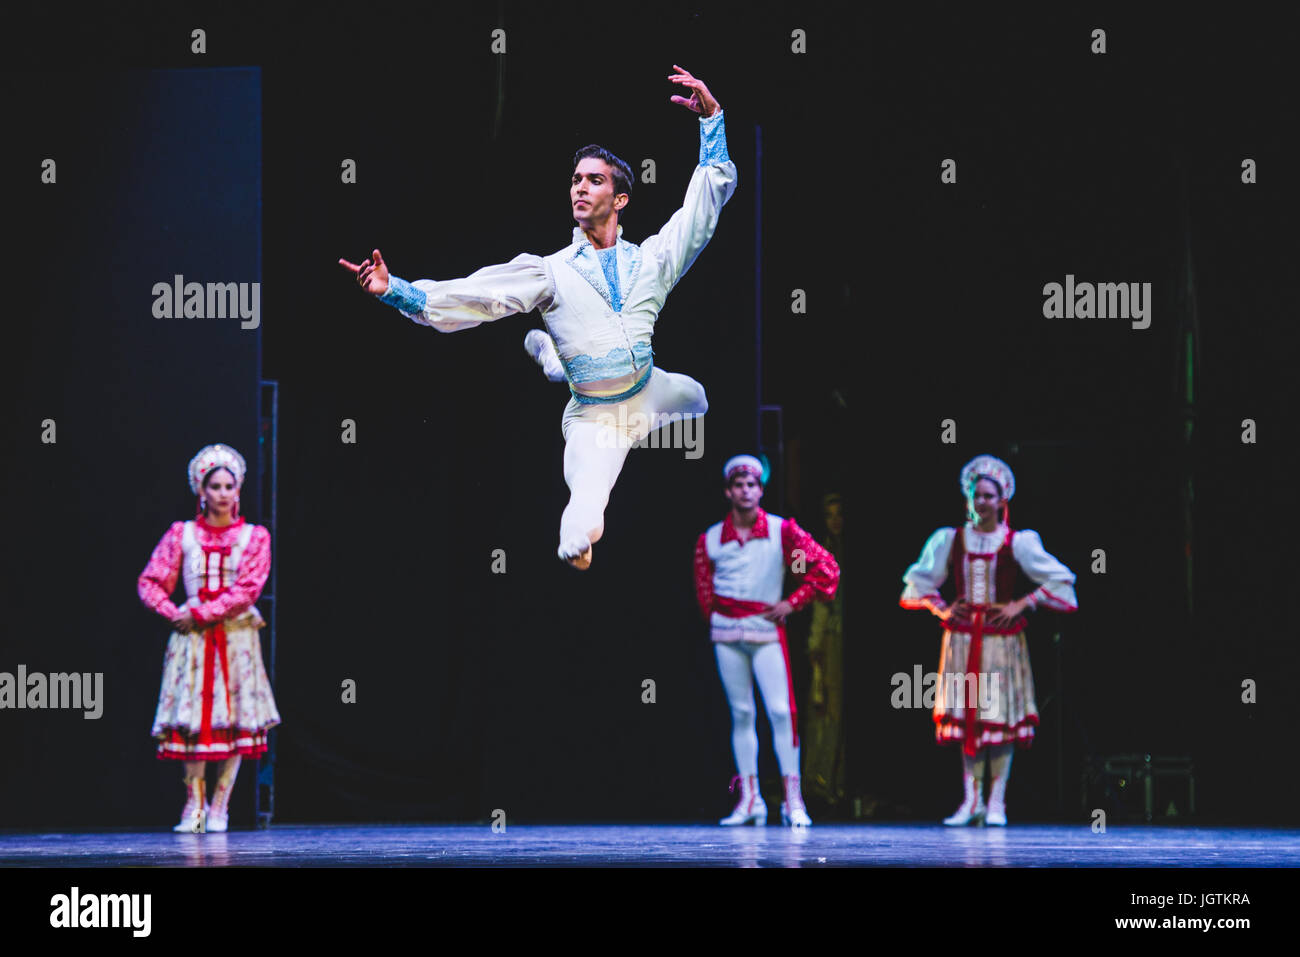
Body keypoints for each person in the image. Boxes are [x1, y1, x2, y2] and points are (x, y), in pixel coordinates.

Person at [340, 65, 737, 570]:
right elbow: (477, 296)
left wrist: (713, 123)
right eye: (575, 180)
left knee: (699, 398)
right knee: (587, 505)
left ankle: (553, 359)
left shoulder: (653, 261)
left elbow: (702, 210)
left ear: (620, 199)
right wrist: (396, 291)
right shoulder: (548, 273)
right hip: (597, 417)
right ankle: (561, 390)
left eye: (594, 180)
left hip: (648, 389)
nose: (580, 188)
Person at [899, 454, 1077, 826]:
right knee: (968, 719)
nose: (982, 502)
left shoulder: (1018, 542)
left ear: (1001, 500)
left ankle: (997, 800)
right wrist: (941, 609)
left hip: (999, 640)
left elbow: (1061, 579)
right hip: (963, 639)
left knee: (997, 719)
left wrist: (1022, 604)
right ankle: (971, 799)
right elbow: (918, 581)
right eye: (976, 495)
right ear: (968, 498)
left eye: (989, 496)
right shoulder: (951, 538)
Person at [137, 444, 280, 832]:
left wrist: (200, 613)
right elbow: (151, 582)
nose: (221, 493)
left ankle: (221, 806)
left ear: (238, 490)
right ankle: (194, 806)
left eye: (228, 486)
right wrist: (176, 614)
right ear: (201, 490)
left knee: (235, 718)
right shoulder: (181, 535)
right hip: (194, 643)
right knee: (192, 721)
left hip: (235, 639)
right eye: (213, 485)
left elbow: (247, 589)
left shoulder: (255, 537)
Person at [694, 455, 840, 826]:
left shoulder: (780, 531)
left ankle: (793, 801)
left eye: (752, 485)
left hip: (765, 630)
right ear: (728, 491)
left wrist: (793, 603)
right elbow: (705, 593)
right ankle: (750, 799)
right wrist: (716, 619)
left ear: (761, 490)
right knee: (741, 713)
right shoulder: (711, 538)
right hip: (727, 633)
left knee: (780, 711)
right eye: (739, 485)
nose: (746, 491)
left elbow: (825, 569)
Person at [804, 492, 846, 811]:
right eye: (829, 515)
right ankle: (818, 780)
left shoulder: (843, 552)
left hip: (843, 639)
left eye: (839, 514)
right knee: (824, 709)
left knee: (837, 712)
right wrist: (815, 644)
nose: (835, 521)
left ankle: (835, 780)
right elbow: (820, 603)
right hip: (827, 639)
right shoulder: (821, 555)